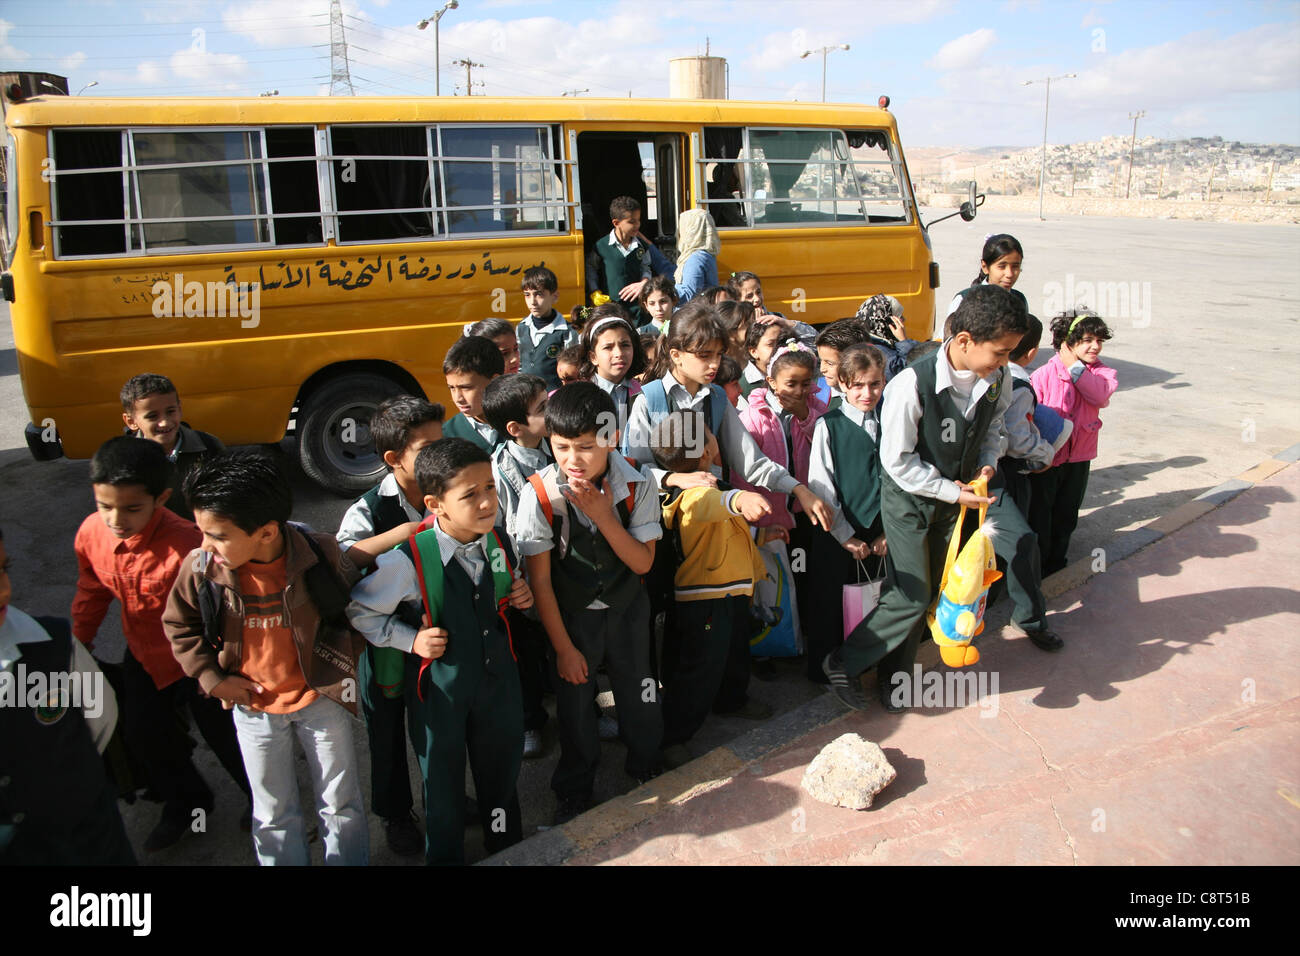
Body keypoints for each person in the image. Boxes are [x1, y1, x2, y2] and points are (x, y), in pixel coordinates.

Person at [822, 284, 1029, 712]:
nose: (1005, 362)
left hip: (954, 502)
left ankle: (893, 680)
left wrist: (988, 462)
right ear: (965, 341)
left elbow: (995, 429)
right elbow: (897, 463)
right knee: (911, 592)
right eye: (1001, 352)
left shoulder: (998, 378)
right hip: (911, 501)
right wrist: (952, 490)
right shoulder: (910, 385)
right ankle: (843, 661)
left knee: (931, 589)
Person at [624, 301, 834, 719]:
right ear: (676, 352)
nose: (713, 364)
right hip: (665, 527)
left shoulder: (717, 398)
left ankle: (731, 696)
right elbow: (631, 466)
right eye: (704, 355)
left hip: (717, 521)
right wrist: (673, 478)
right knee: (681, 623)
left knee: (732, 611)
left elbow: (749, 461)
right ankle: (671, 717)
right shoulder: (647, 399)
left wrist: (799, 490)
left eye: (718, 354)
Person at [163, 451, 368, 866]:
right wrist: (212, 679)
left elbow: (356, 612)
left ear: (267, 531)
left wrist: (338, 664)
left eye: (217, 535)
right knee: (272, 811)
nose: (205, 545)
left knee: (340, 802)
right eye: (202, 532)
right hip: (253, 708)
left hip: (319, 701)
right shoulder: (203, 568)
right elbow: (179, 626)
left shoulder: (321, 553)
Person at [347, 439, 533, 865]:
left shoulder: (498, 540)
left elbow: (503, 588)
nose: (488, 502)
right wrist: (409, 640)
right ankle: (445, 855)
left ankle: (504, 845)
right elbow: (360, 610)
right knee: (442, 779)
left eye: (490, 487)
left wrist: (516, 593)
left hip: (498, 684)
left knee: (501, 773)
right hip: (440, 693)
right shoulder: (407, 560)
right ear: (436, 504)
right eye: (471, 495)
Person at [74, 436, 252, 852]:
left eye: (132, 508)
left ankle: (260, 799)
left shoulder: (191, 545)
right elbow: (92, 589)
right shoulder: (90, 535)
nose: (116, 519)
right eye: (105, 506)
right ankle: (187, 803)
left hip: (203, 657)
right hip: (145, 655)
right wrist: (76, 643)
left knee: (228, 736)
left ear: (162, 498)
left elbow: (229, 606)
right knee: (145, 737)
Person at [514, 383, 664, 825]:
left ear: (611, 439)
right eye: (561, 447)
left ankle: (647, 766)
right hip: (572, 616)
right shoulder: (539, 494)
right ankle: (575, 788)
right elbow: (540, 581)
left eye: (585, 447)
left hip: (626, 610)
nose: (572, 460)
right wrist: (562, 647)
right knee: (575, 703)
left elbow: (642, 562)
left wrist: (603, 514)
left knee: (639, 692)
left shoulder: (636, 482)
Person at [334, 395, 445, 856]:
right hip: (384, 641)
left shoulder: (449, 488)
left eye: (442, 446)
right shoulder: (367, 510)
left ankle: (442, 798)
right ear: (392, 459)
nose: (439, 458)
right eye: (426, 450)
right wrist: (401, 535)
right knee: (386, 731)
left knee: (438, 726)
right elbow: (340, 568)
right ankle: (396, 813)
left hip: (437, 637)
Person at [0, 528, 136, 866]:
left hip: (91, 846)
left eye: (4, 568)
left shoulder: (55, 645)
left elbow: (101, 722)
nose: (3, 589)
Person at [651, 411, 772, 768]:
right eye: (709, 432)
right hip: (705, 597)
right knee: (700, 666)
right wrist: (740, 500)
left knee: (734, 650)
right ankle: (673, 735)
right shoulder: (695, 495)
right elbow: (715, 508)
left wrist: (764, 533)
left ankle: (733, 699)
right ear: (705, 450)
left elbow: (726, 525)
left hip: (729, 591)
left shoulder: (710, 483)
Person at [734, 339, 828, 648]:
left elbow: (825, 448)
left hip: (804, 513)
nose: (799, 390)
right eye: (791, 383)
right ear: (772, 382)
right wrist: (756, 514)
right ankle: (769, 645)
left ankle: (804, 639)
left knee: (803, 579)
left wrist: (805, 417)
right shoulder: (754, 417)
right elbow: (745, 472)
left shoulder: (817, 411)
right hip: (770, 516)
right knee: (771, 583)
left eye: (805, 383)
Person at [805, 344, 889, 683]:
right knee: (832, 605)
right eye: (857, 385)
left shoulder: (892, 420)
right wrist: (845, 536)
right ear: (841, 383)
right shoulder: (830, 425)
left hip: (882, 531)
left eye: (875, 384)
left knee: (877, 600)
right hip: (839, 533)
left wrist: (890, 532)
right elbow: (822, 486)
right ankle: (830, 673)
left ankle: (868, 664)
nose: (866, 393)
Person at [985, 315, 1069, 652]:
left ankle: (1029, 618)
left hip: (995, 476)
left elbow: (1003, 434)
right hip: (954, 481)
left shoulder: (1008, 379)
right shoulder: (932, 377)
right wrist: (1044, 453)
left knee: (1019, 541)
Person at [483, 373, 554, 759]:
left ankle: (587, 705)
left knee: (570, 642)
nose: (552, 411)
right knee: (525, 655)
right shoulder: (499, 470)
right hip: (523, 578)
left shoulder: (556, 447)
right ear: (515, 428)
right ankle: (530, 720)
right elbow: (498, 534)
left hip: (559, 568)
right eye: (542, 409)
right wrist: (510, 580)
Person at [1029, 309, 1117, 576]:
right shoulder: (1044, 374)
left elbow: (1099, 396)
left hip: (1079, 457)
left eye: (1099, 340)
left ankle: (1057, 562)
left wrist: (1075, 368)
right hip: (1048, 458)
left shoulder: (1103, 373)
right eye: (1087, 340)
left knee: (1067, 512)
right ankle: (1038, 565)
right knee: (1040, 514)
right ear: (1067, 342)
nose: (1095, 346)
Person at [121, 372, 224, 523]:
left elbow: (226, 501)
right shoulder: (123, 458)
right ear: (131, 421)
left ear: (180, 409)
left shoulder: (209, 447)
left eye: (170, 412)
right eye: (152, 416)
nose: (165, 422)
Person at [586, 196, 657, 323]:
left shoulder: (641, 246)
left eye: (638, 221)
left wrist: (644, 283)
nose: (637, 225)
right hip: (611, 310)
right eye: (631, 222)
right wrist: (595, 291)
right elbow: (591, 268)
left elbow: (646, 267)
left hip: (638, 311)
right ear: (616, 223)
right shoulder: (601, 246)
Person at [581, 308, 648, 442]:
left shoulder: (642, 392)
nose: (619, 353)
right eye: (608, 347)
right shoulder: (581, 396)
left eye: (625, 345)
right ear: (593, 357)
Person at [945, 233, 1028, 337]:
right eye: (1002, 266)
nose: (1009, 274)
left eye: (1015, 266)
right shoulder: (964, 299)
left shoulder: (1019, 300)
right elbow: (949, 341)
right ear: (985, 267)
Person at [516, 266, 578, 390]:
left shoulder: (566, 332)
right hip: (527, 397)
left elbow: (572, 370)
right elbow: (519, 365)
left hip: (555, 398)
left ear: (554, 296)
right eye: (527, 295)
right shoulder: (521, 328)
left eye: (539, 294)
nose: (532, 301)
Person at [442, 334, 505, 452]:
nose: (458, 398)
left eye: (466, 388)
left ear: (495, 381)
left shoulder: (525, 420)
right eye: (451, 388)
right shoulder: (446, 436)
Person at [856, 293, 922, 380]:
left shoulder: (862, 340)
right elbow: (904, 372)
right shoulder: (880, 352)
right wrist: (903, 340)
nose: (904, 319)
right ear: (889, 323)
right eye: (900, 316)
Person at [814, 318, 871, 411]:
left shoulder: (873, 398)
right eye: (821, 361)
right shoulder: (816, 392)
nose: (822, 369)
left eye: (830, 363)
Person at [673, 208, 720, 302]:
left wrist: (663, 295)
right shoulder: (706, 254)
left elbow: (689, 294)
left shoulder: (697, 258)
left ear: (691, 230)